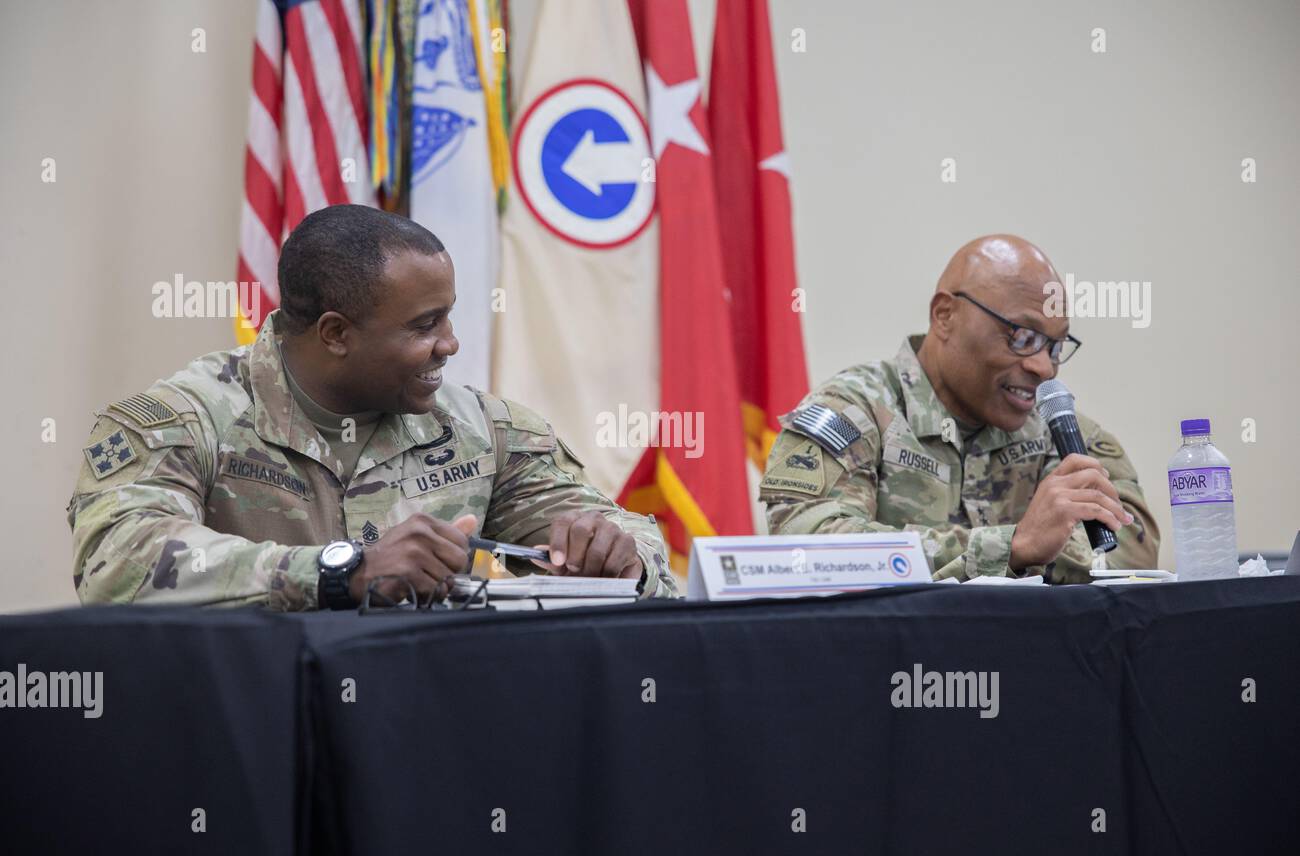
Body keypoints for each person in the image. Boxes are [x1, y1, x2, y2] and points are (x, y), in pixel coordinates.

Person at [68, 205, 676, 609]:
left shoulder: (488, 432)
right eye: (425, 324)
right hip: (241, 741)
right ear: (336, 333)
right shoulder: (183, 420)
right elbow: (118, 564)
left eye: (449, 315)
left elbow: (633, 543)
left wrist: (615, 554)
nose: (451, 343)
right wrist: (338, 573)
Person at [760, 235, 1158, 583]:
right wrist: (1012, 546)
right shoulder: (854, 413)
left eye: (1054, 346)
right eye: (1021, 336)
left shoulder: (1062, 433)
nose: (1043, 367)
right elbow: (808, 546)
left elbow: (1130, 555)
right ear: (944, 316)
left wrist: (1022, 552)